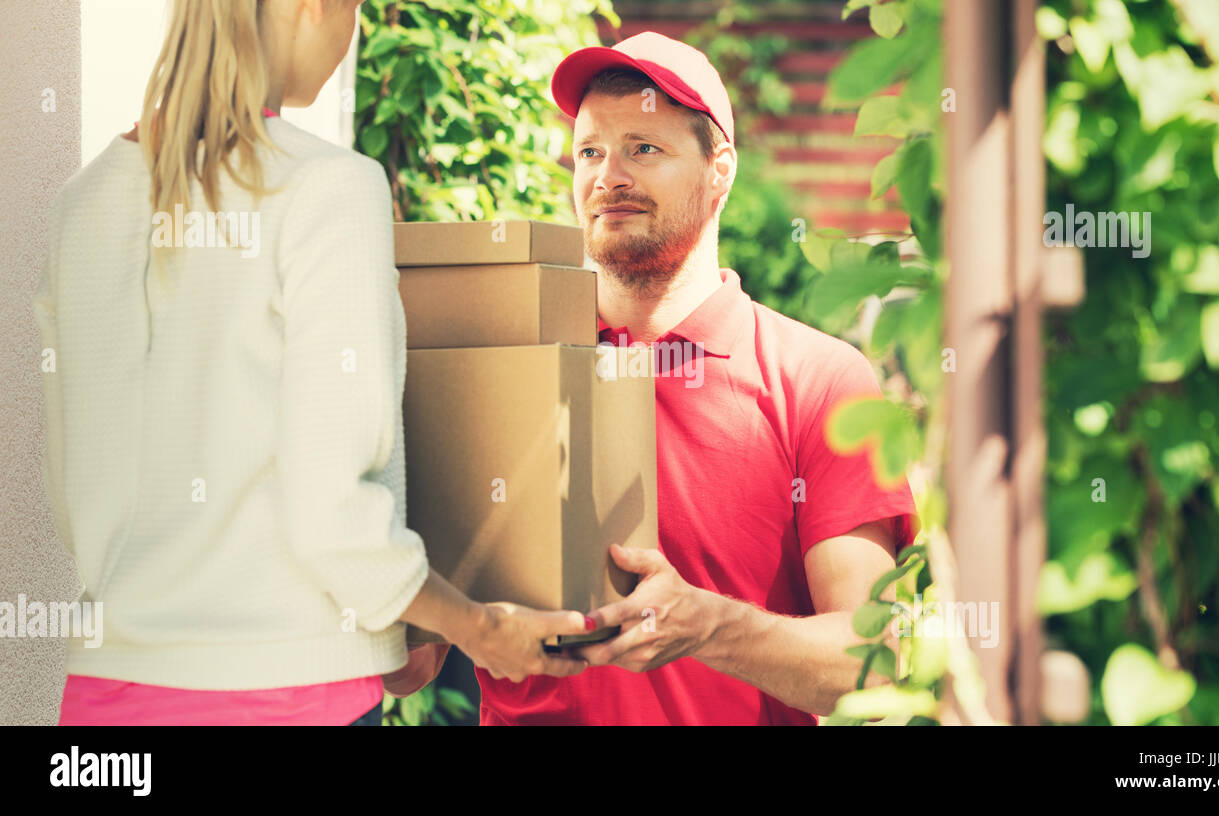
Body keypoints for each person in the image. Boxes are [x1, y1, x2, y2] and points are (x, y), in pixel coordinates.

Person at [33, 0, 589, 727]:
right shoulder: (327, 188)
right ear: (312, 7)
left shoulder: (85, 203)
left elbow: (81, 499)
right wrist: (477, 629)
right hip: (281, 699)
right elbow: (332, 516)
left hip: (106, 704)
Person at [477, 31, 922, 725]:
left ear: (721, 169)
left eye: (643, 149)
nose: (608, 177)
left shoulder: (820, 381)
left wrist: (711, 627)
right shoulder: (506, 365)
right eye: (590, 150)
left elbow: (876, 662)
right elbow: (410, 664)